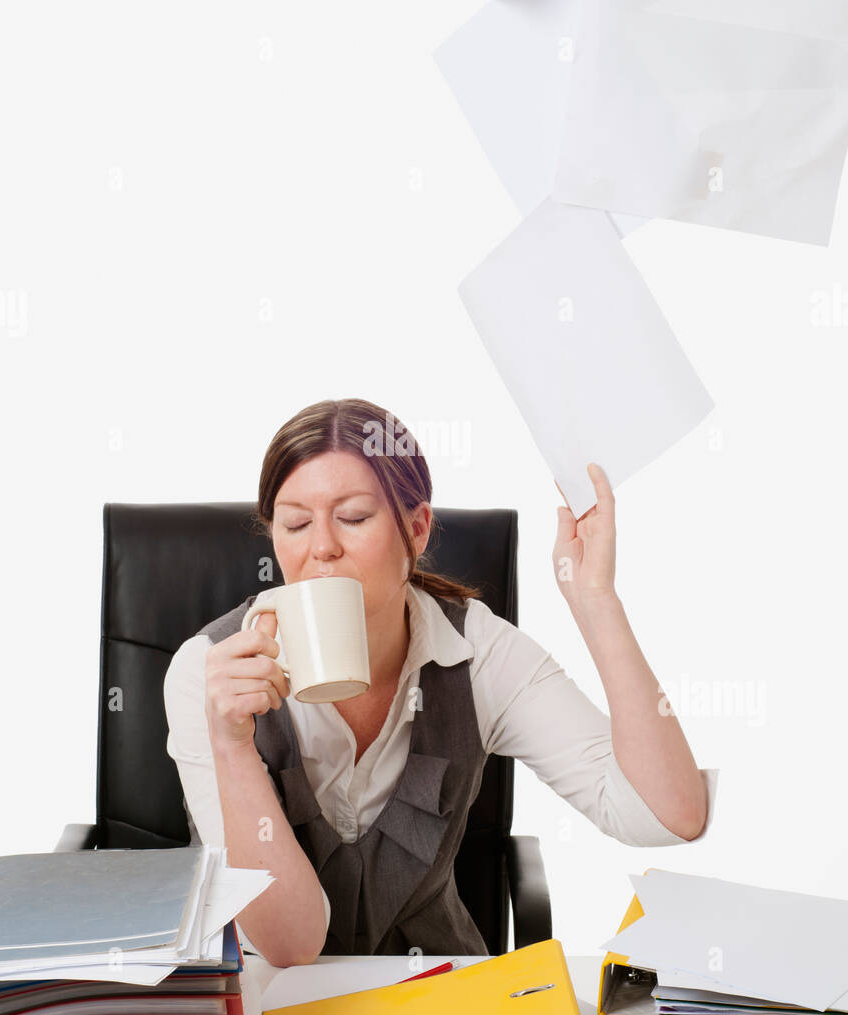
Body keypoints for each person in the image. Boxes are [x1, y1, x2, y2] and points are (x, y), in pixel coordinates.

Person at [164, 397, 716, 968]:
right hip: (267, 1010)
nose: (321, 547)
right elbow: (290, 943)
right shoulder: (207, 672)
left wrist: (596, 601)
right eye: (296, 523)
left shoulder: (477, 652)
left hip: (439, 994)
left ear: (417, 528)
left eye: (353, 517)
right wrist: (231, 747)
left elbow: (670, 814)